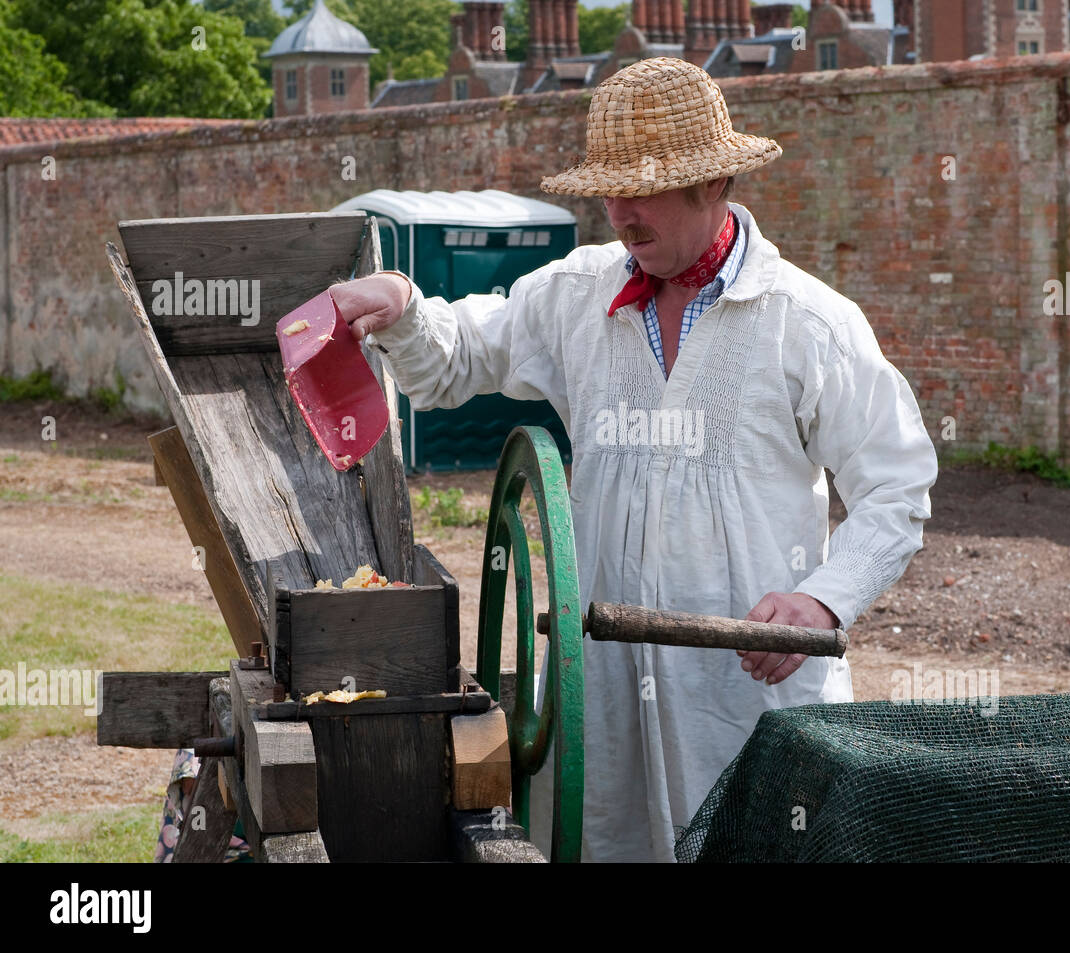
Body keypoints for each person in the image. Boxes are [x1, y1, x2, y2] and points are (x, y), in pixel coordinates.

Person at [331, 56, 938, 862]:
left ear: (713, 181)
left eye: (642, 188)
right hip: (604, 695)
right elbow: (454, 359)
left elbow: (897, 485)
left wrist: (823, 603)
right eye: (608, 189)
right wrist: (404, 306)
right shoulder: (576, 298)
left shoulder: (807, 323)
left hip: (746, 695)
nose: (619, 211)